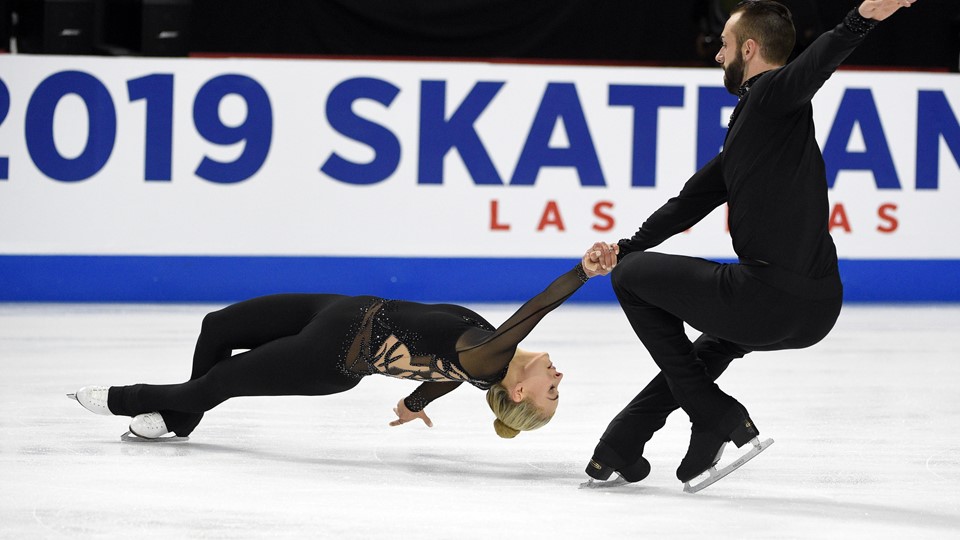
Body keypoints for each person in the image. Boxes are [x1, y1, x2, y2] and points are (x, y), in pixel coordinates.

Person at [584, 0, 919, 486]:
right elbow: (687, 204)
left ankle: (713, 413)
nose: (717, 55)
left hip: (770, 297)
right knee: (708, 347)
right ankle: (625, 439)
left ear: (749, 47)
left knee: (633, 281)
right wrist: (625, 247)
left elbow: (814, 65)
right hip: (816, 308)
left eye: (723, 45)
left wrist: (861, 18)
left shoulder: (770, 97)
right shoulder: (754, 131)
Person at [71, 242, 620, 441]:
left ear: (519, 394)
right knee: (217, 325)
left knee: (220, 382)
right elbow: (447, 377)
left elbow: (535, 310)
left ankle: (127, 399)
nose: (558, 380)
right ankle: (182, 420)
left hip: (329, 359)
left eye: (552, 393)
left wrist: (581, 272)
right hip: (338, 309)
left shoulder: (492, 357)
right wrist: (414, 403)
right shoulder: (478, 365)